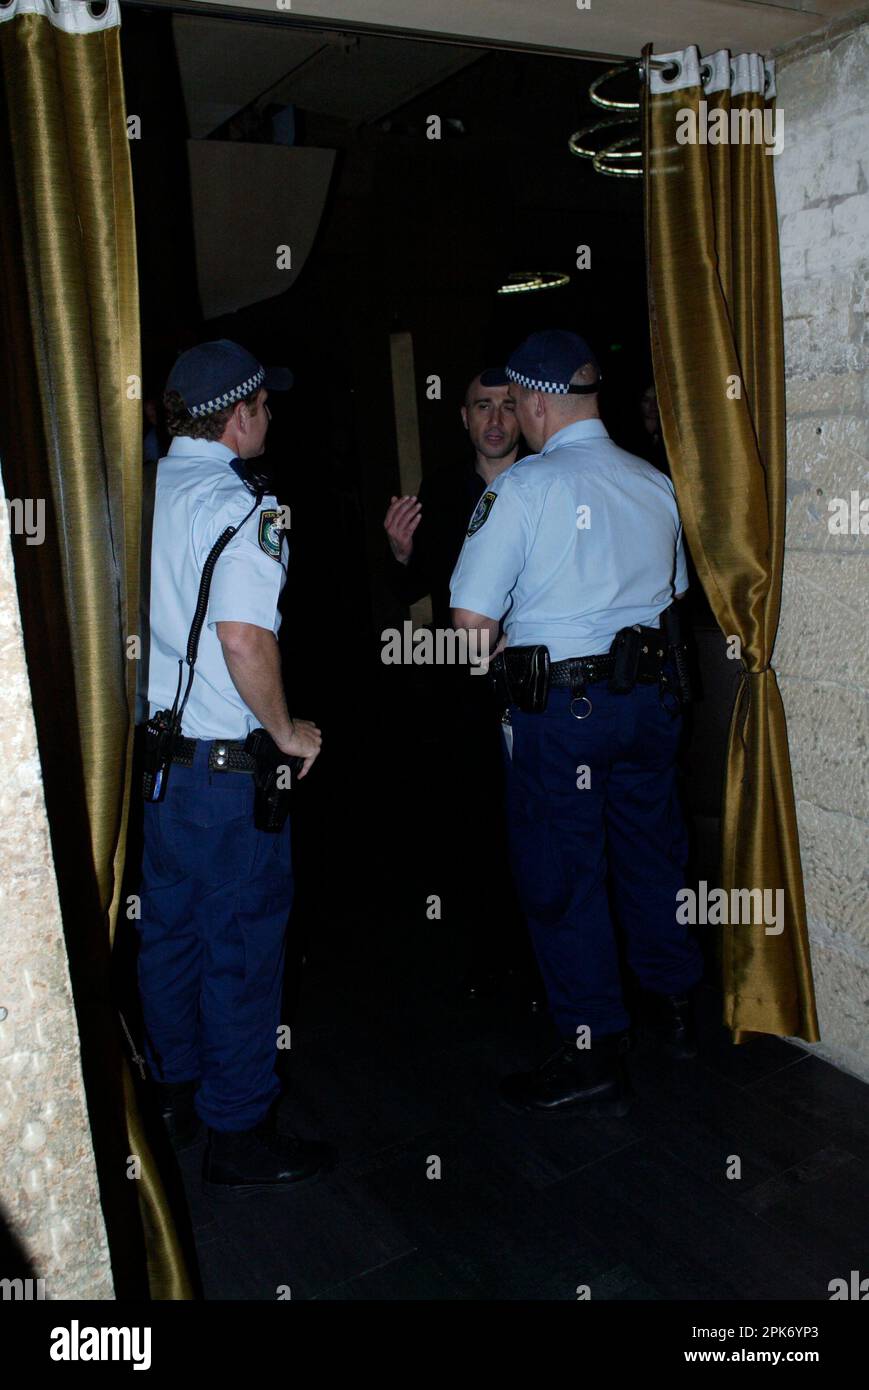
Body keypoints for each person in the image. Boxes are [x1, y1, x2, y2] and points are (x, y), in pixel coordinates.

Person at [450, 329, 704, 1114]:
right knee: (652, 852)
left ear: (532, 402)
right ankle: (675, 1005)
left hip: (564, 713)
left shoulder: (522, 490)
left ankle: (593, 1050)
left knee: (563, 876)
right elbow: (674, 594)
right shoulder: (653, 480)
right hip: (650, 702)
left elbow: (469, 628)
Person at [138, 338, 333, 1194]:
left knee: (168, 936)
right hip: (224, 773)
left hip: (158, 770)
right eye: (265, 406)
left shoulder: (146, 490)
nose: (271, 419)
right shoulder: (245, 506)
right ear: (239, 415)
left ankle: (176, 1094)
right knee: (243, 949)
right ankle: (240, 1129)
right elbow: (245, 637)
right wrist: (287, 732)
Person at [383, 370, 539, 1002]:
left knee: (547, 821)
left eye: (508, 406)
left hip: (545, 682)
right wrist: (398, 554)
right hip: (467, 691)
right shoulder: (445, 490)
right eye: (483, 407)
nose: (497, 419)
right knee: (477, 823)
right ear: (465, 418)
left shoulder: (548, 480)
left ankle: (548, 959)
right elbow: (412, 588)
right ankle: (494, 955)